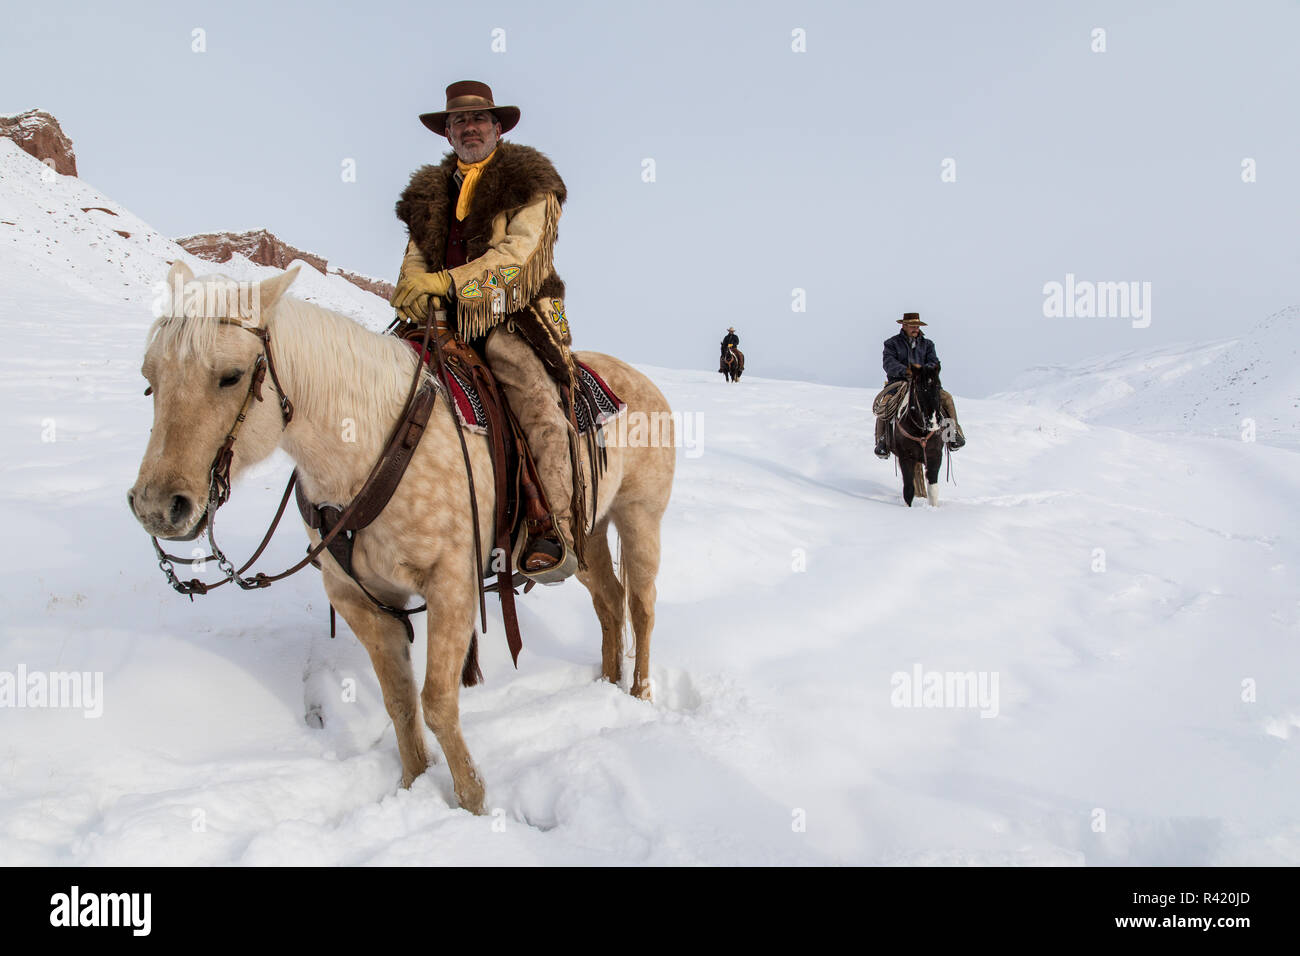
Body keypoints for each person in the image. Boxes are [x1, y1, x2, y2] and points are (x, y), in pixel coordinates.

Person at [391, 81, 579, 582]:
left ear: (497, 128)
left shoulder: (529, 183)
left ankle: (549, 527)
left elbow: (517, 257)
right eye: (458, 122)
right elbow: (415, 256)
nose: (469, 128)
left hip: (512, 312)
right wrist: (412, 288)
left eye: (479, 120)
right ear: (448, 133)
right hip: (440, 319)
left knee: (536, 402)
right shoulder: (427, 195)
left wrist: (446, 283)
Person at [873, 313, 966, 459]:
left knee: (946, 398)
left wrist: (923, 372)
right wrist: (906, 371)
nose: (915, 328)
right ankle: (882, 440)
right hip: (899, 382)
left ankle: (952, 434)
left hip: (923, 382)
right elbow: (888, 363)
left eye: (917, 326)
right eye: (912, 326)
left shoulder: (928, 344)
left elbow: (934, 362)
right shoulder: (891, 343)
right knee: (886, 403)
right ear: (904, 326)